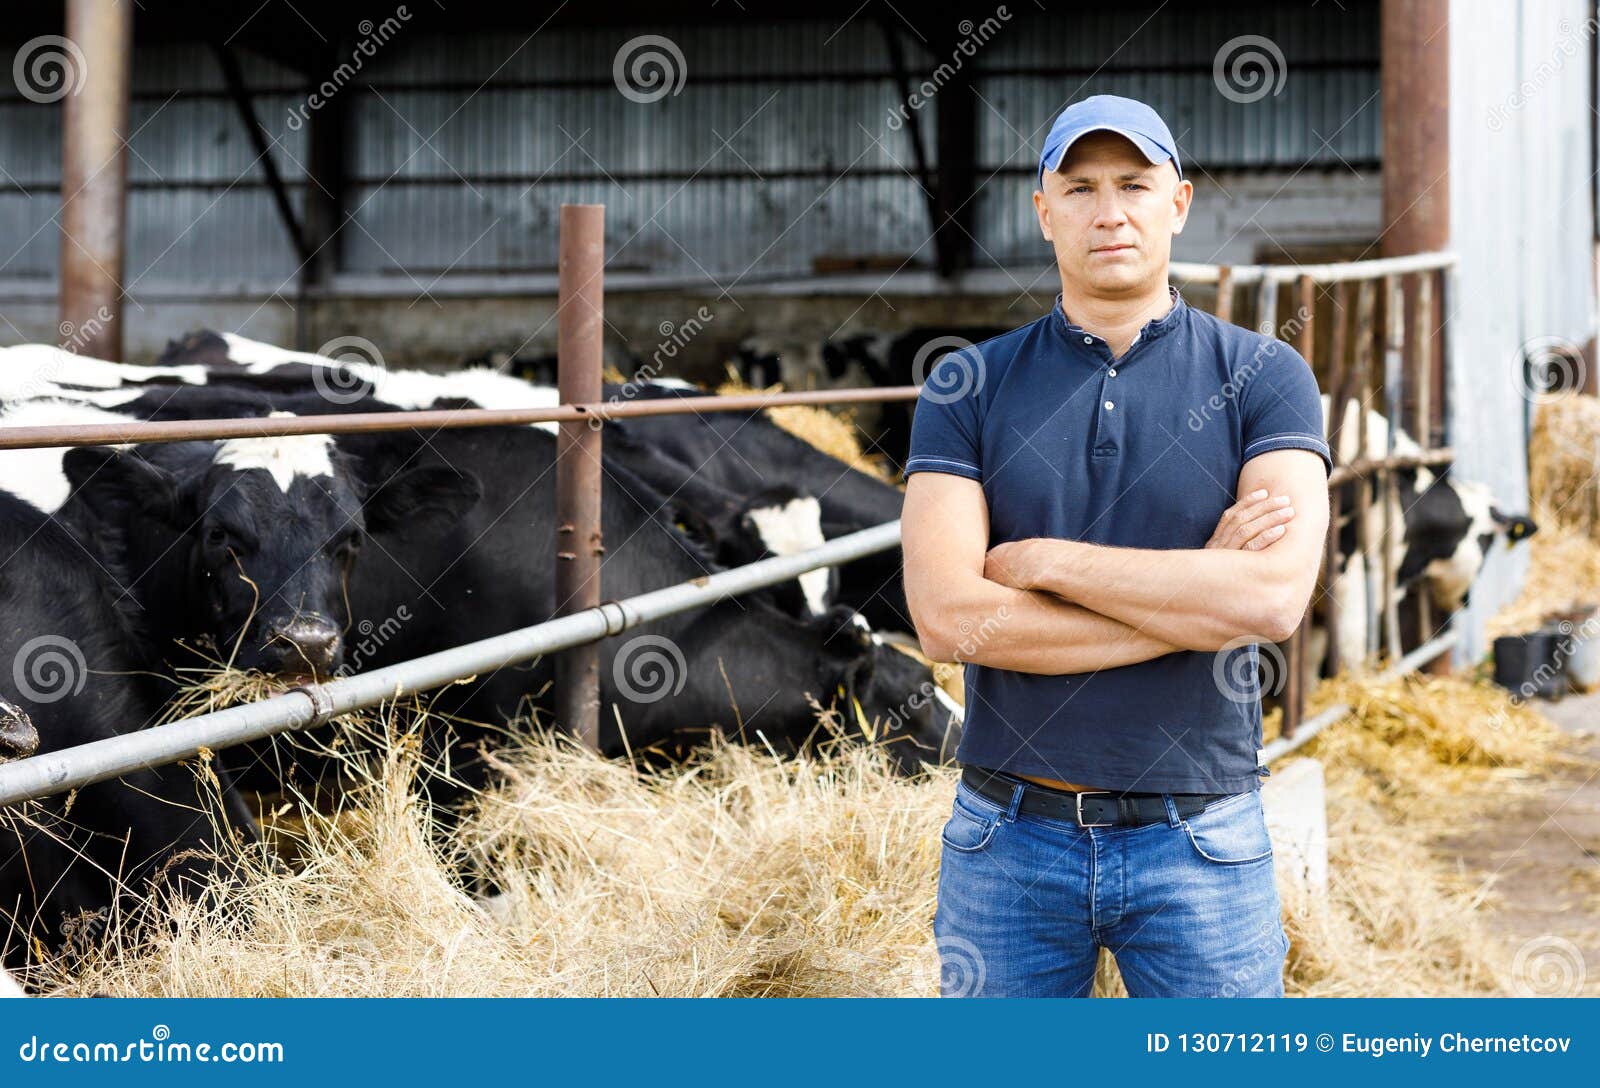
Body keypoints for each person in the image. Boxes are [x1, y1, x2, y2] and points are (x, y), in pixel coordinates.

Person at [901, 94, 1331, 997]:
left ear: (1177, 203)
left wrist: (1046, 564)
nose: (1109, 212)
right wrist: (1195, 598)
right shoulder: (966, 384)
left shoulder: (1265, 375)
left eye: (1134, 185)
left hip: (1201, 837)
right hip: (1008, 836)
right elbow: (948, 621)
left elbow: (1269, 601)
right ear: (1043, 211)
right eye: (1081, 188)